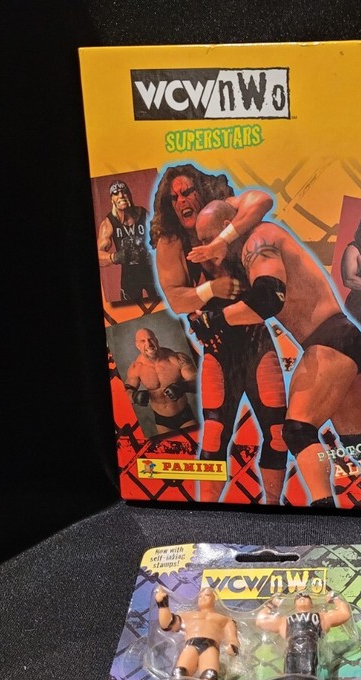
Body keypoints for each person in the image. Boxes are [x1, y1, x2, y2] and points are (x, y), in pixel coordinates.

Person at [188, 199, 361, 510]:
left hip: (330, 340)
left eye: (207, 239)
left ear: (225, 228)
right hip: (342, 341)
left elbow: (268, 299)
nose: (205, 249)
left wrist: (215, 320)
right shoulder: (254, 244)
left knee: (298, 431)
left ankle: (323, 515)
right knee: (358, 441)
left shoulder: (258, 241)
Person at [150, 164, 287, 504]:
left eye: (187, 192)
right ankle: (206, 511)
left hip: (255, 338)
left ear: (202, 191)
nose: (182, 201)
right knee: (213, 436)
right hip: (218, 346)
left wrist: (222, 241)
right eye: (175, 197)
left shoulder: (224, 212)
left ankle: (274, 507)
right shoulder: (172, 241)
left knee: (277, 432)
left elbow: (263, 200)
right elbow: (176, 300)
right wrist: (213, 288)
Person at [123, 327, 198, 438]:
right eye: (143, 341)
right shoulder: (136, 367)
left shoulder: (177, 359)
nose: (148, 344)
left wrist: (184, 387)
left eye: (150, 339)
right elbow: (125, 393)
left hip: (185, 416)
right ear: (137, 345)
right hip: (162, 421)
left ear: (156, 340)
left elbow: (200, 383)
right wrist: (134, 396)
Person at [255, 592, 351, 678]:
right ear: (294, 605)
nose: (302, 596)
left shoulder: (322, 617)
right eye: (298, 597)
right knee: (291, 679)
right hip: (291, 653)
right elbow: (260, 621)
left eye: (306, 596)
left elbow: (344, 614)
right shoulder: (285, 621)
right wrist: (271, 605)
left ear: (312, 605)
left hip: (311, 651)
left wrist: (335, 598)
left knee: (309, 678)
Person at [154, 586, 239, 680]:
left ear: (214, 599)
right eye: (200, 596)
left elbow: (232, 637)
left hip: (210, 646)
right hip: (191, 645)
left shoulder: (225, 619)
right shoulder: (188, 615)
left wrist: (232, 646)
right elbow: (167, 624)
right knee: (179, 673)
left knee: (209, 675)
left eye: (207, 595)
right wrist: (163, 605)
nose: (203, 598)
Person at [97, 180, 160, 306]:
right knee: (131, 308)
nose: (121, 195)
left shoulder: (143, 214)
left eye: (124, 192)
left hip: (150, 271)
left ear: (129, 195)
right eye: (116, 193)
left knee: (162, 303)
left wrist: (153, 252)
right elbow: (98, 255)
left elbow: (161, 239)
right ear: (112, 200)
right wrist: (114, 257)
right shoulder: (109, 223)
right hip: (130, 277)